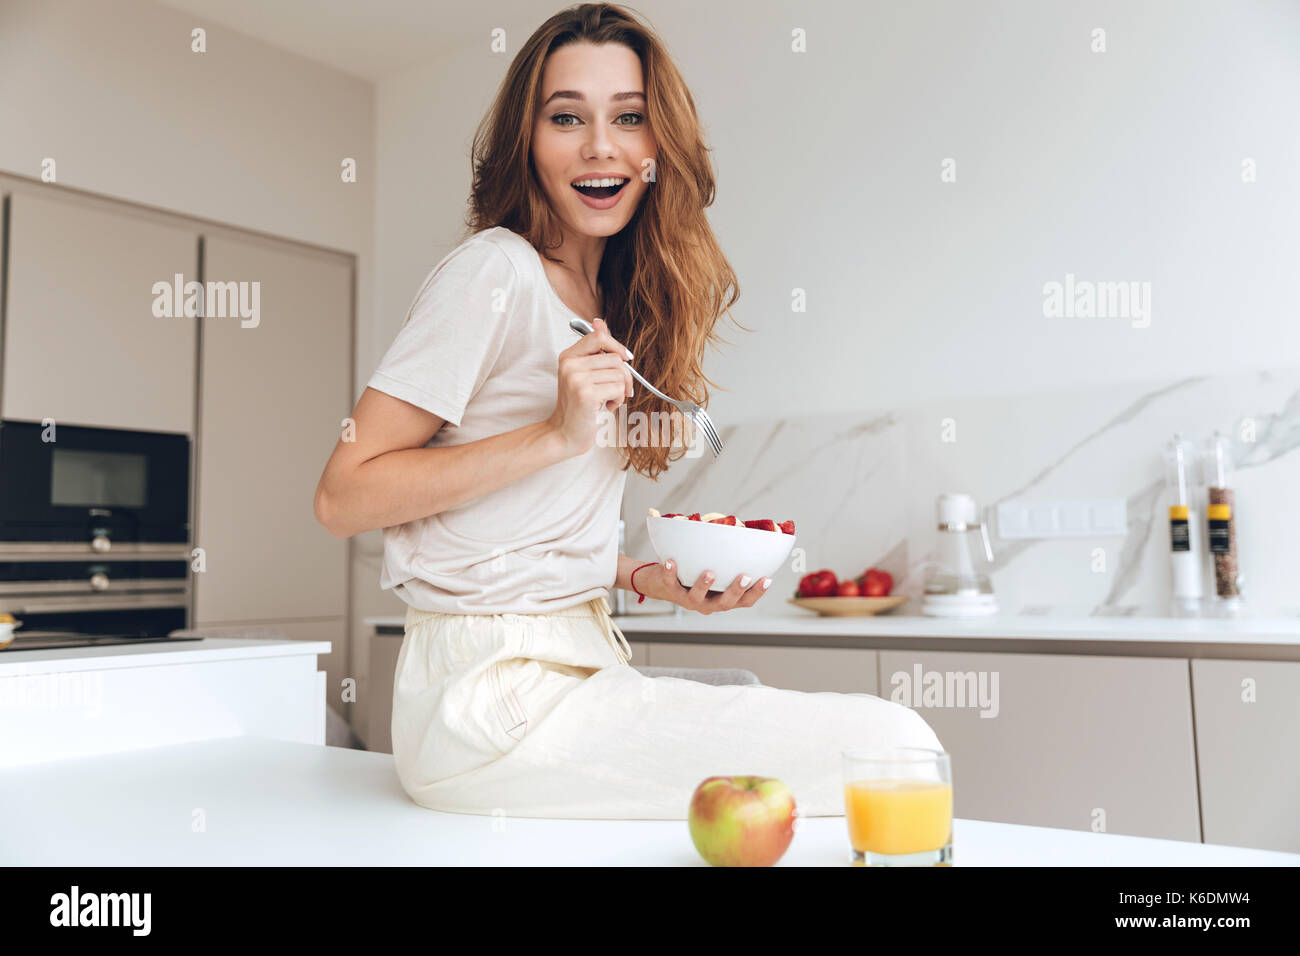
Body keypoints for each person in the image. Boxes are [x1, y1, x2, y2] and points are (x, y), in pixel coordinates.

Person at [314, 2, 941, 820]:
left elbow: (520, 537)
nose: (600, 145)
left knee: (754, 714)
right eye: (565, 117)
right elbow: (343, 496)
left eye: (629, 118)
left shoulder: (613, 301)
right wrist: (552, 435)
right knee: (896, 744)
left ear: (657, 147)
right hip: (486, 701)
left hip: (581, 662)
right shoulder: (492, 273)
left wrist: (646, 578)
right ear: (528, 143)